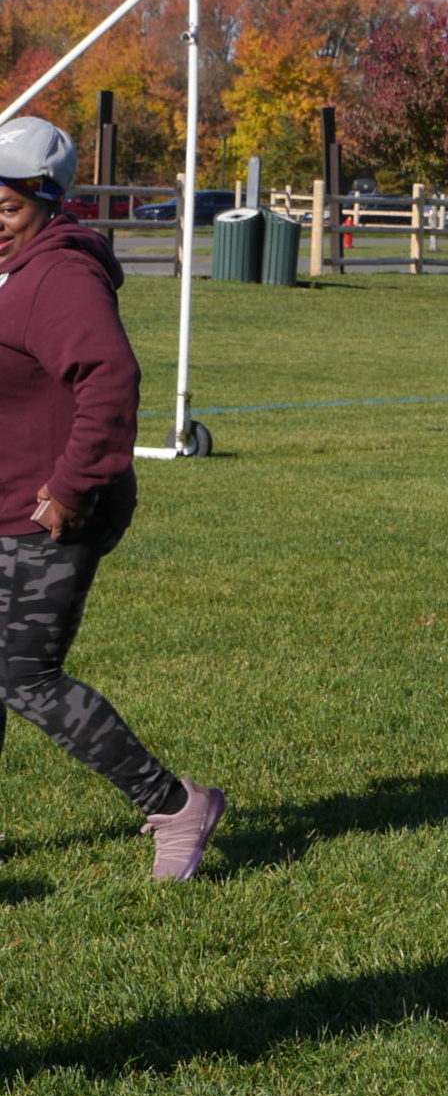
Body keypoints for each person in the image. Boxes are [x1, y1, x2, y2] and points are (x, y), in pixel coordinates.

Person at [0, 115, 224, 880]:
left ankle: (175, 804)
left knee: (26, 676)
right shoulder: (14, 269)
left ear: (49, 202)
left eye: (9, 208)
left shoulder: (59, 275)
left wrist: (70, 487)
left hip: (46, 514)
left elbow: (111, 382)